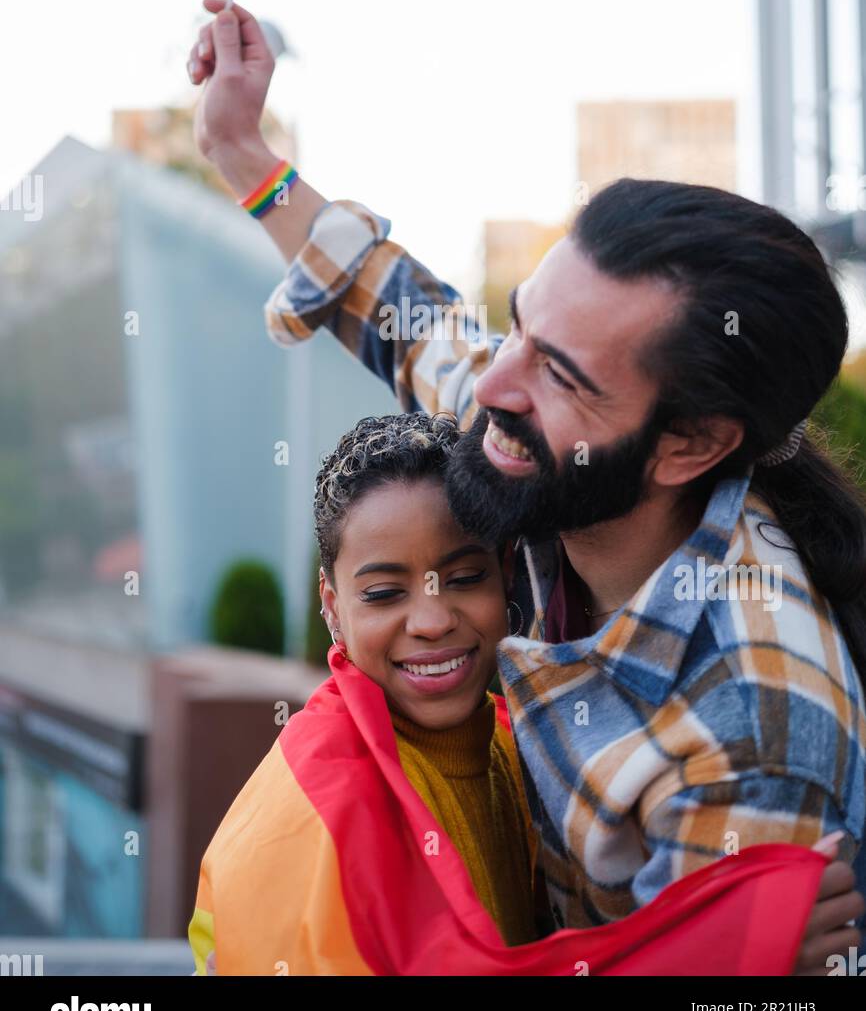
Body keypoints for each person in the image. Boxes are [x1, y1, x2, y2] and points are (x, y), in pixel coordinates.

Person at [187, 0, 866, 955]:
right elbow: (414, 322)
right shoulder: (567, 455)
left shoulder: (750, 731)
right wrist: (242, 156)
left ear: (691, 445)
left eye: (561, 374)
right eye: (520, 326)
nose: (494, 384)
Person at [188, 411, 859, 976]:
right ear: (331, 606)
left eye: (464, 576)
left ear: (506, 574)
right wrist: (721, 956)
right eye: (385, 593)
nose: (431, 619)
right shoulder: (319, 815)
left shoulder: (514, 737)